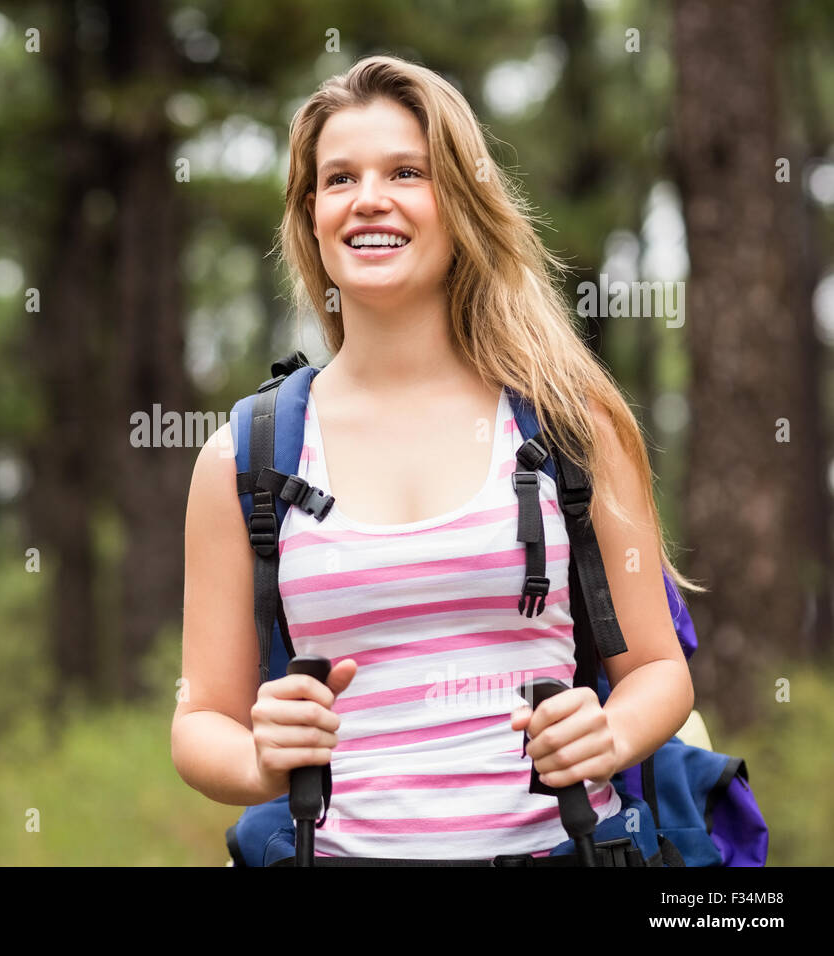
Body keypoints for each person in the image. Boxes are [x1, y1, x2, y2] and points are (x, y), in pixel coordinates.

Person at [171, 55, 698, 861]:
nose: (368, 198)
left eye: (406, 172)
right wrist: (256, 757)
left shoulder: (570, 422)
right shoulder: (244, 453)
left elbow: (660, 672)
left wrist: (610, 732)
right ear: (311, 214)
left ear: (459, 200)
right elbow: (201, 720)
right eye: (338, 178)